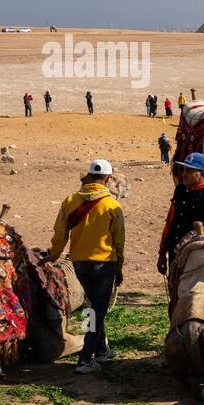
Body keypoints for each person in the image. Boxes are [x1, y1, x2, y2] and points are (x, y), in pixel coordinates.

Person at [47, 159, 125, 374]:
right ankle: (84, 359)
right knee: (97, 310)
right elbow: (119, 240)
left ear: (89, 176)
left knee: (91, 308)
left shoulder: (70, 201)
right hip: (104, 264)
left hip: (79, 263)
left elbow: (60, 234)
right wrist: (119, 265)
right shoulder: (112, 205)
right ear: (108, 179)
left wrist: (53, 256)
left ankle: (101, 351)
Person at [156, 153, 204, 275]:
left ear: (203, 174)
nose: (184, 174)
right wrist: (162, 252)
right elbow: (170, 223)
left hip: (199, 259)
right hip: (175, 254)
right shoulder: (180, 192)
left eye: (189, 171)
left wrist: (194, 233)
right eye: (184, 169)